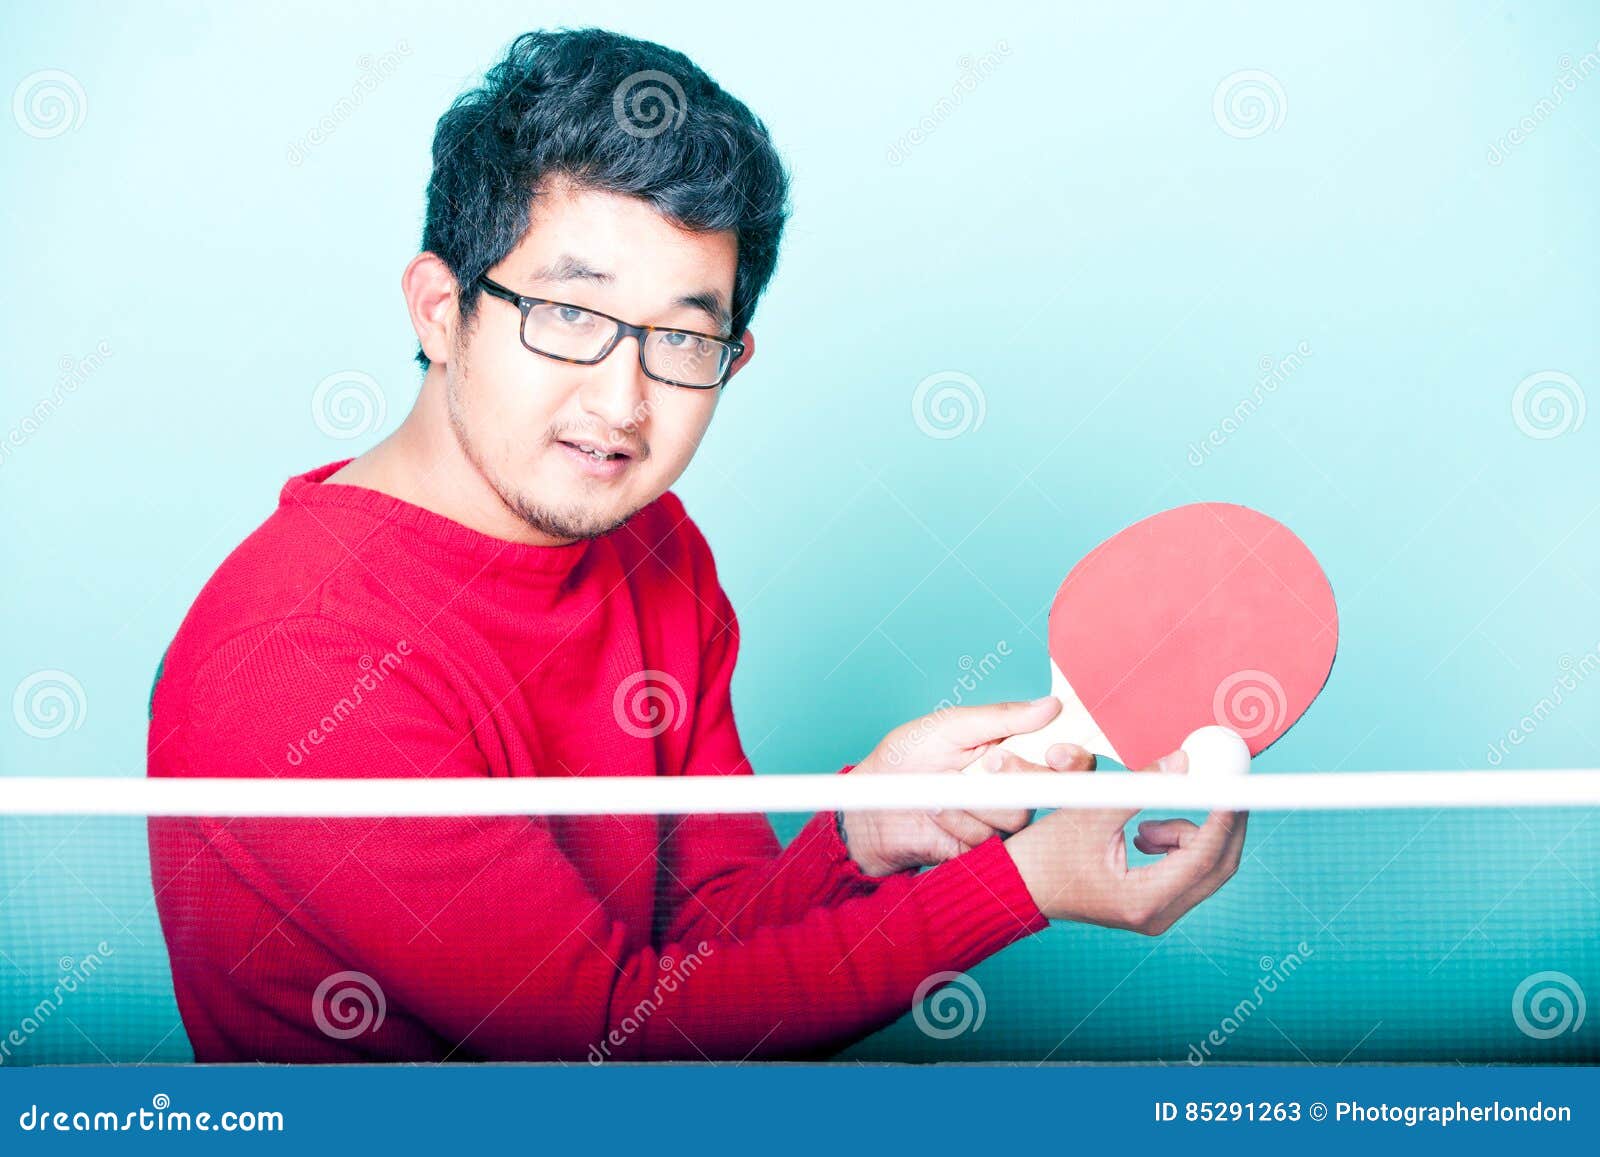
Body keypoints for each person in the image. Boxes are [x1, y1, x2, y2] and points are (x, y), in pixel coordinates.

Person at [147, 27, 1245, 1062]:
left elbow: (702, 942)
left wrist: (862, 830)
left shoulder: (654, 543)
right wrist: (1022, 888)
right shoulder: (297, 656)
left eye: (680, 335)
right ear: (441, 310)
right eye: (568, 314)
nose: (621, 402)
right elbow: (612, 1034)